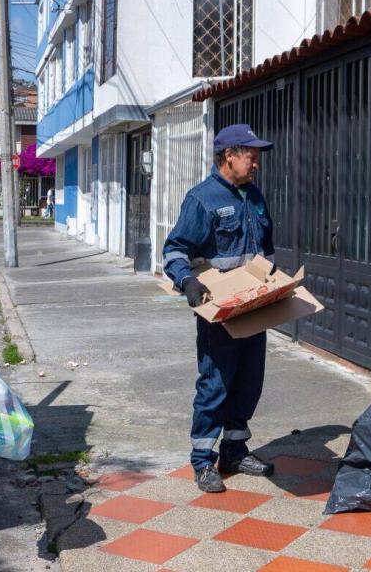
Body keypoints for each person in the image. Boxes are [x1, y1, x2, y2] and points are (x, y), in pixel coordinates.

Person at [162, 124, 276, 493]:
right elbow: (175, 249)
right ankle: (202, 460)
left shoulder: (254, 197)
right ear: (230, 155)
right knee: (216, 384)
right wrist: (187, 282)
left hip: (254, 307)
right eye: (251, 155)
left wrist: (274, 284)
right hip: (219, 308)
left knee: (248, 383)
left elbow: (265, 252)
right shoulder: (203, 199)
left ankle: (234, 450)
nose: (256, 163)